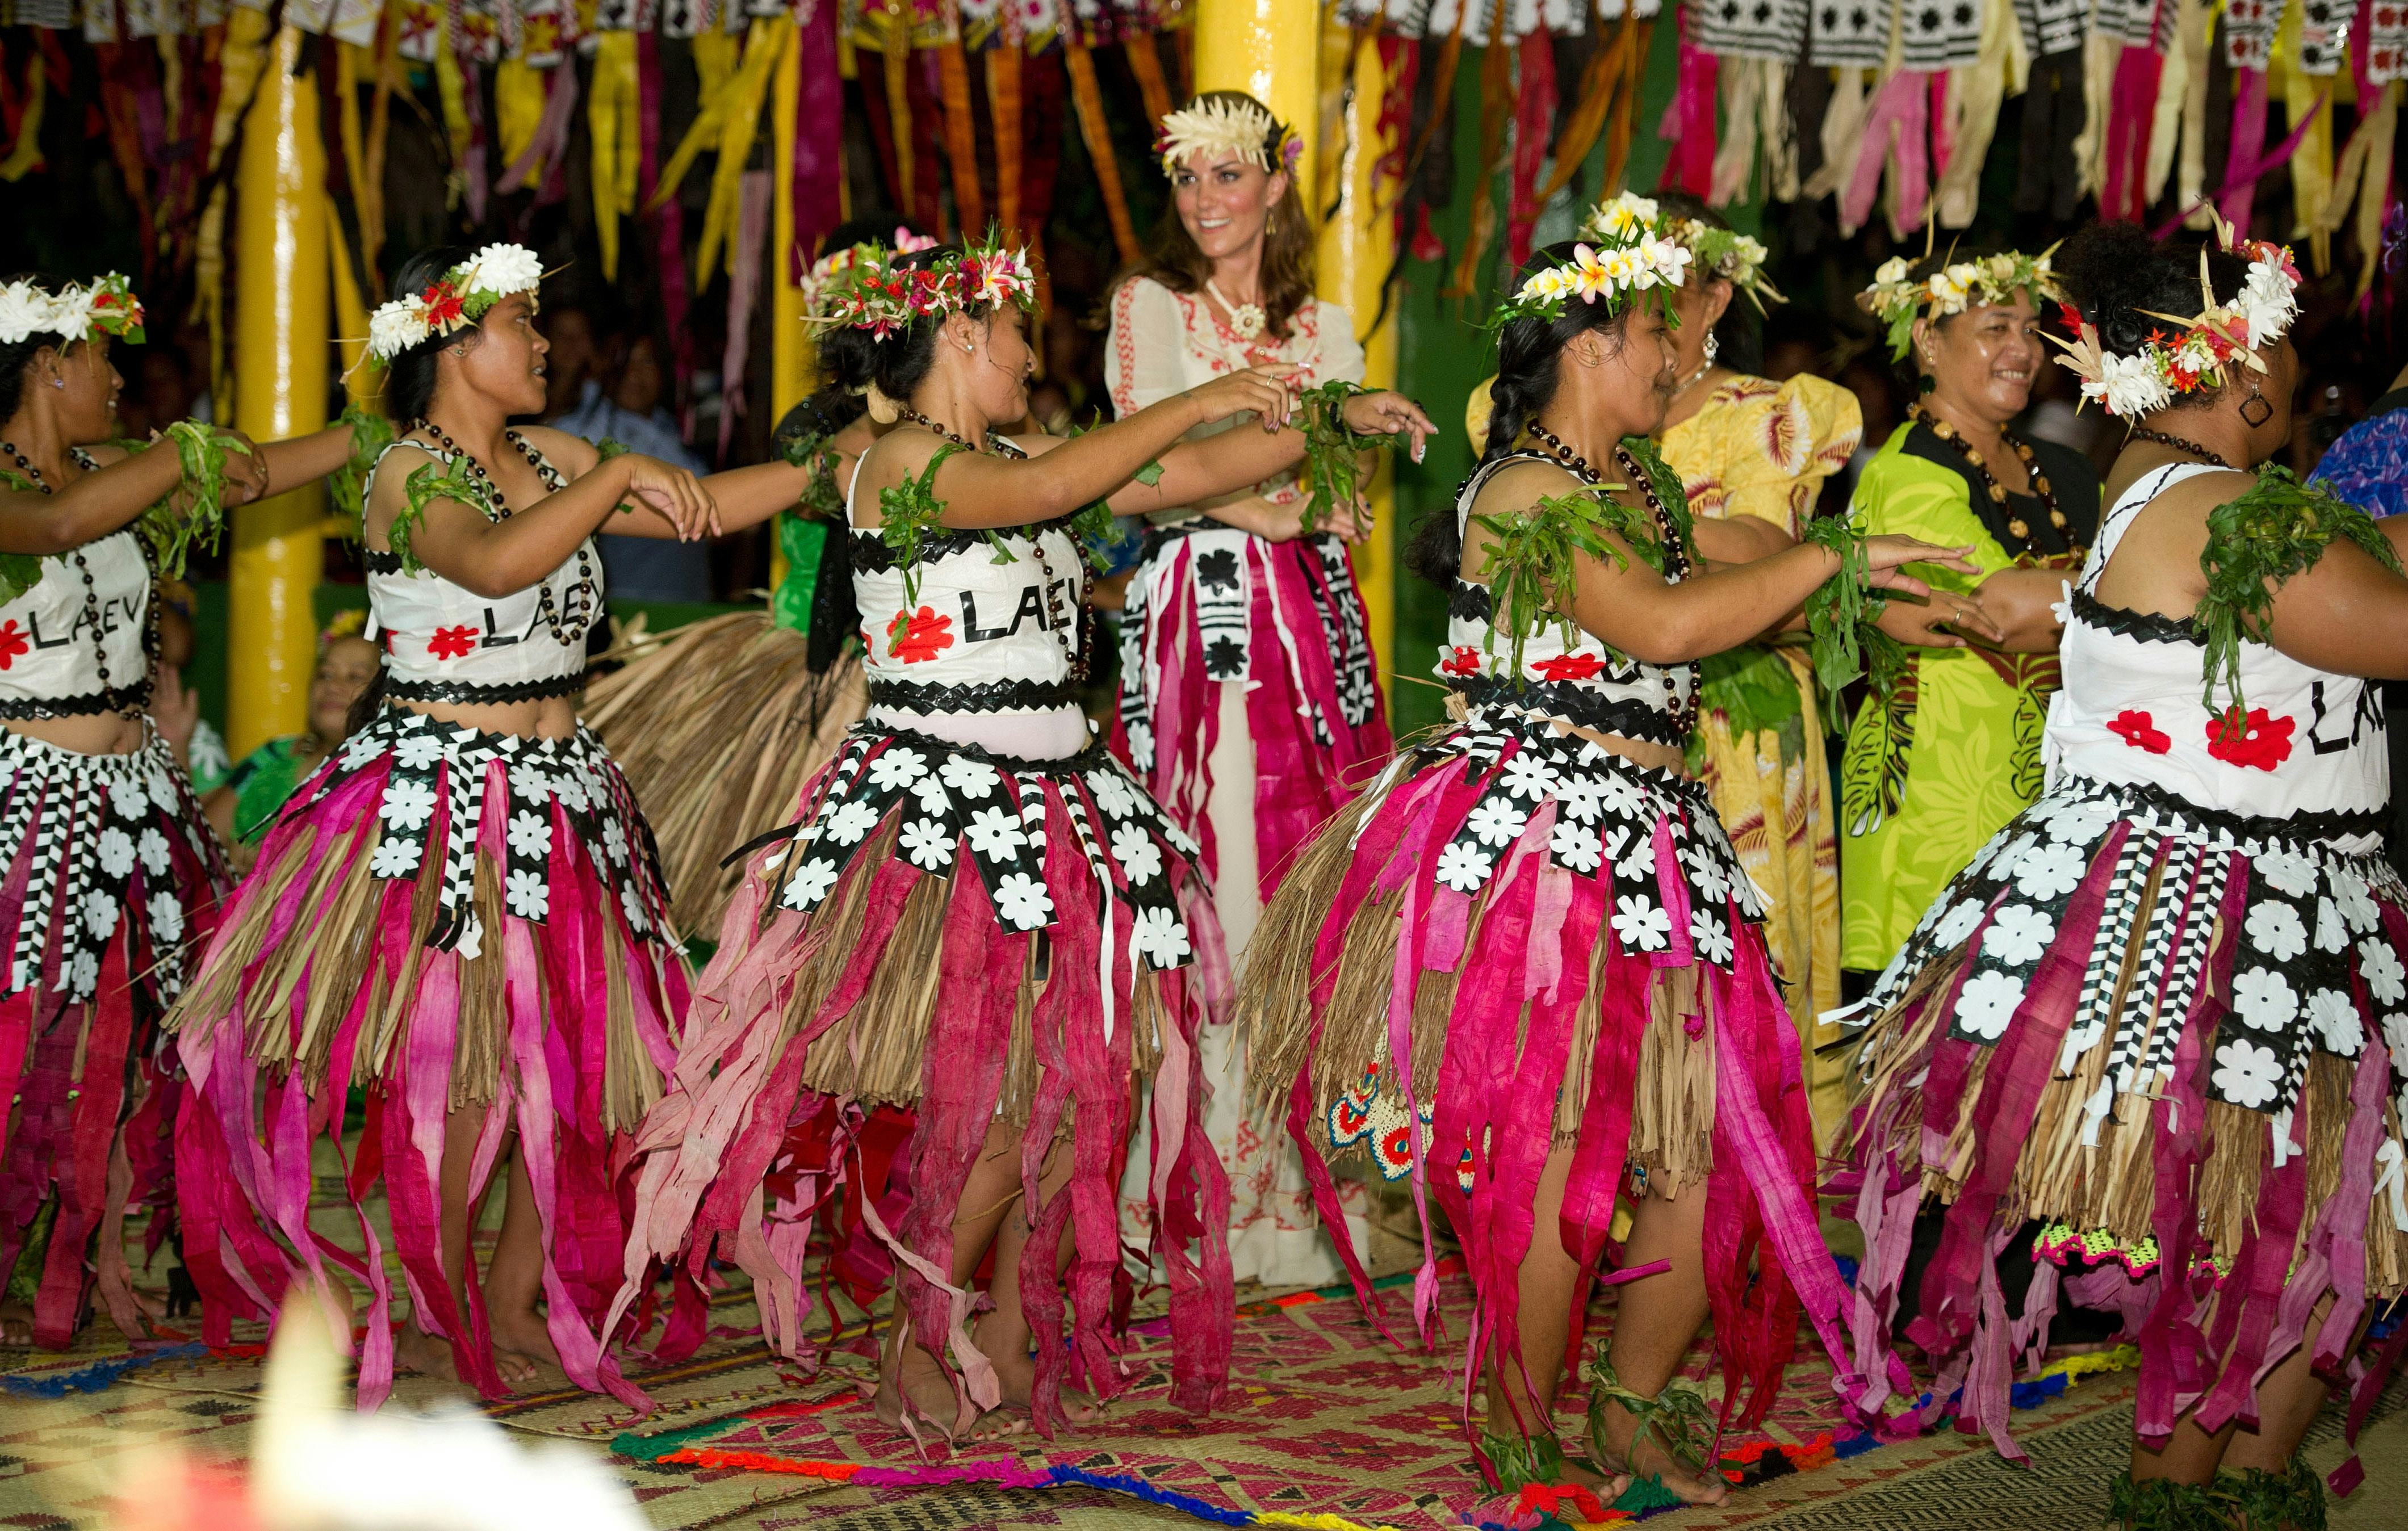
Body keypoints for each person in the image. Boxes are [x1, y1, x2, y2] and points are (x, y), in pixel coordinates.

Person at [603, 235, 1435, 1443]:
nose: (1029, 358)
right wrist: (1202, 395)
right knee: (996, 1103)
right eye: (1015, 334)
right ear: (957, 333)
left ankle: (1002, 1328)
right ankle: (915, 1321)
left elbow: (1178, 475)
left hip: (1059, 799)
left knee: (1081, 1088)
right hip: (947, 813)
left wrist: (1325, 416)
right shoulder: (896, 462)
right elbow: (1063, 491)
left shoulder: (1012, 451)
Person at [1241, 236, 1966, 1505]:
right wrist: (1829, 560)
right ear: (1587, 346)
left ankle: (1628, 1405)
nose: (1682, 352)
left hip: (1660, 832)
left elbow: (1723, 602)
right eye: (1655, 335)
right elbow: (1662, 625)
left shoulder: (1638, 479)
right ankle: (1518, 1417)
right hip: (1539, 839)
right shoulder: (1520, 492)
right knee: (1559, 1145)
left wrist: (1896, 594)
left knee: (1710, 1147)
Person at [1837, 218, 2408, 1528]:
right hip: (2220, 927)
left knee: (2302, 1221)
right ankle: (2183, 1497)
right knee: (2250, 1236)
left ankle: (2247, 1486)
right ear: (2233, 364)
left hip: (2270, 904)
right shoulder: (2216, 511)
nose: (2291, 370)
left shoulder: (2175, 489)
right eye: (2275, 342)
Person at [167, 244, 809, 1406]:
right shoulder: (407, 473)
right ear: (457, 346)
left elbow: (701, 508)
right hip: (448, 792)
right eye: (522, 324)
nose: (545, 342)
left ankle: (514, 1294)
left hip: (564, 784)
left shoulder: (547, 455)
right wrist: (611, 481)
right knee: (459, 1066)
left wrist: (839, 473)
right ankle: (436, 1299)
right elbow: (496, 564)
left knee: (578, 1066)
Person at [0, 271, 353, 1349]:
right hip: (30, 796)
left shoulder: (121, 465)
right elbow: (59, 521)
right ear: (50, 365)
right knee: (26, 1044)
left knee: (150, 1029)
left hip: (136, 793)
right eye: (103, 360)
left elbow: (242, 475)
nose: (120, 379)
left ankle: (98, 1253)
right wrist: (180, 453)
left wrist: (367, 436)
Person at [1104, 90, 1402, 1288]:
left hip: (1312, 623)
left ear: (1274, 186)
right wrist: (1267, 502)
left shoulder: (1325, 324)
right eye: (1189, 178)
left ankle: (1300, 1196)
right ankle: (1200, 1196)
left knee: (1307, 881)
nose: (1207, 199)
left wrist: (1275, 490)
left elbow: (1329, 481)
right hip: (1202, 620)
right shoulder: (1148, 306)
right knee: (1211, 871)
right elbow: (1145, 464)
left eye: (1230, 176)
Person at [582, 220, 936, 935]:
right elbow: (835, 487)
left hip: (928, 672)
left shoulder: (950, 423)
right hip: (814, 667)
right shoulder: (813, 429)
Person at [1623, 191, 1863, 1140]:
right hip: (1626, 703)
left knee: (1741, 952)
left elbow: (1768, 543)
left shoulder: (1766, 414)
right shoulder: (1583, 399)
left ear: (1717, 295)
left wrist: (1629, 508)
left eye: (1666, 285)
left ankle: (1742, 1189)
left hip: (1735, 712)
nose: (1640, 303)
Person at [1839, 246, 2103, 988]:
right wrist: (2145, 591)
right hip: (1937, 796)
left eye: (2028, 327)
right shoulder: (1906, 474)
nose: (2021, 349)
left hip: (2050, 785)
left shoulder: (2069, 470)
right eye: (1995, 328)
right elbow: (2002, 614)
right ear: (1927, 338)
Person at [200, 615, 380, 871]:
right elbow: (226, 851)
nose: (332, 686)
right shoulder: (276, 771)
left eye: (354, 677)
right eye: (325, 675)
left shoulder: (387, 779)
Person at [551, 324, 713, 602]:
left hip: (684, 598)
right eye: (625, 361)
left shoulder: (672, 428)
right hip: (620, 601)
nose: (634, 374)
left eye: (647, 361)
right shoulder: (576, 433)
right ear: (605, 367)